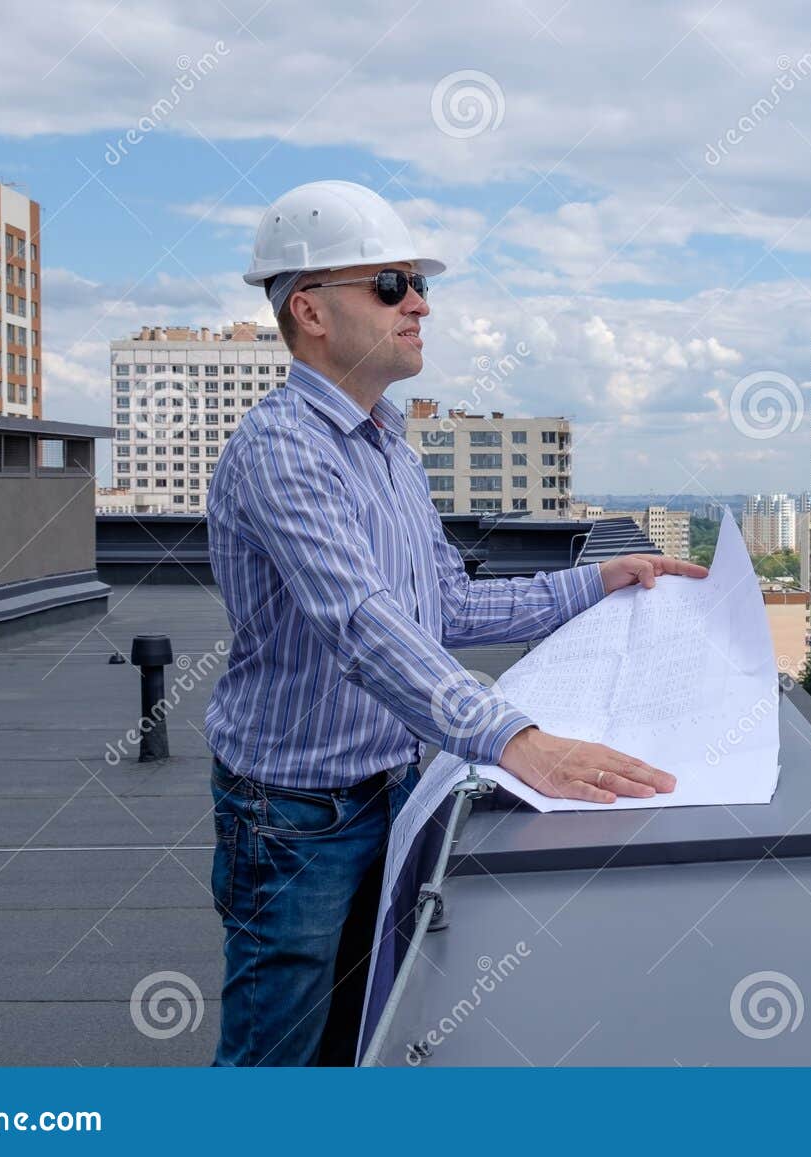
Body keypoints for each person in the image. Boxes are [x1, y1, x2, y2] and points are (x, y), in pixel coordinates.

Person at [202, 180, 707, 1066]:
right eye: (392, 283)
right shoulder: (281, 449)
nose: (420, 303)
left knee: (360, 1036)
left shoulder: (388, 440)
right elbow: (363, 625)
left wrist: (602, 581)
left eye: (417, 284)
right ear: (311, 310)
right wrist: (513, 739)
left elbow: (444, 609)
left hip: (392, 788)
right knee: (273, 1056)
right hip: (294, 816)